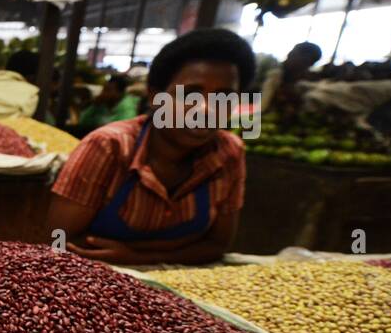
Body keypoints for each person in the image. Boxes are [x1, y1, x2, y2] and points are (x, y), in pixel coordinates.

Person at [45, 27, 255, 266]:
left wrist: (141, 258)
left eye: (224, 96)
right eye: (189, 94)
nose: (206, 109)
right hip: (92, 282)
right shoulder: (109, 147)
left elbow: (218, 245)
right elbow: (58, 240)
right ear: (156, 96)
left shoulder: (229, 153)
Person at [261, 40, 322, 114]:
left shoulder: (298, 83)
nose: (303, 66)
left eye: (308, 63)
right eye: (303, 61)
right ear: (290, 54)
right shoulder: (272, 71)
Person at [76, 74, 140, 135]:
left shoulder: (127, 106)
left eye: (108, 90)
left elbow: (124, 129)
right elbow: (82, 122)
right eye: (104, 89)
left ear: (120, 93)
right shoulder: (100, 104)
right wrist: (94, 106)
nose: (104, 93)